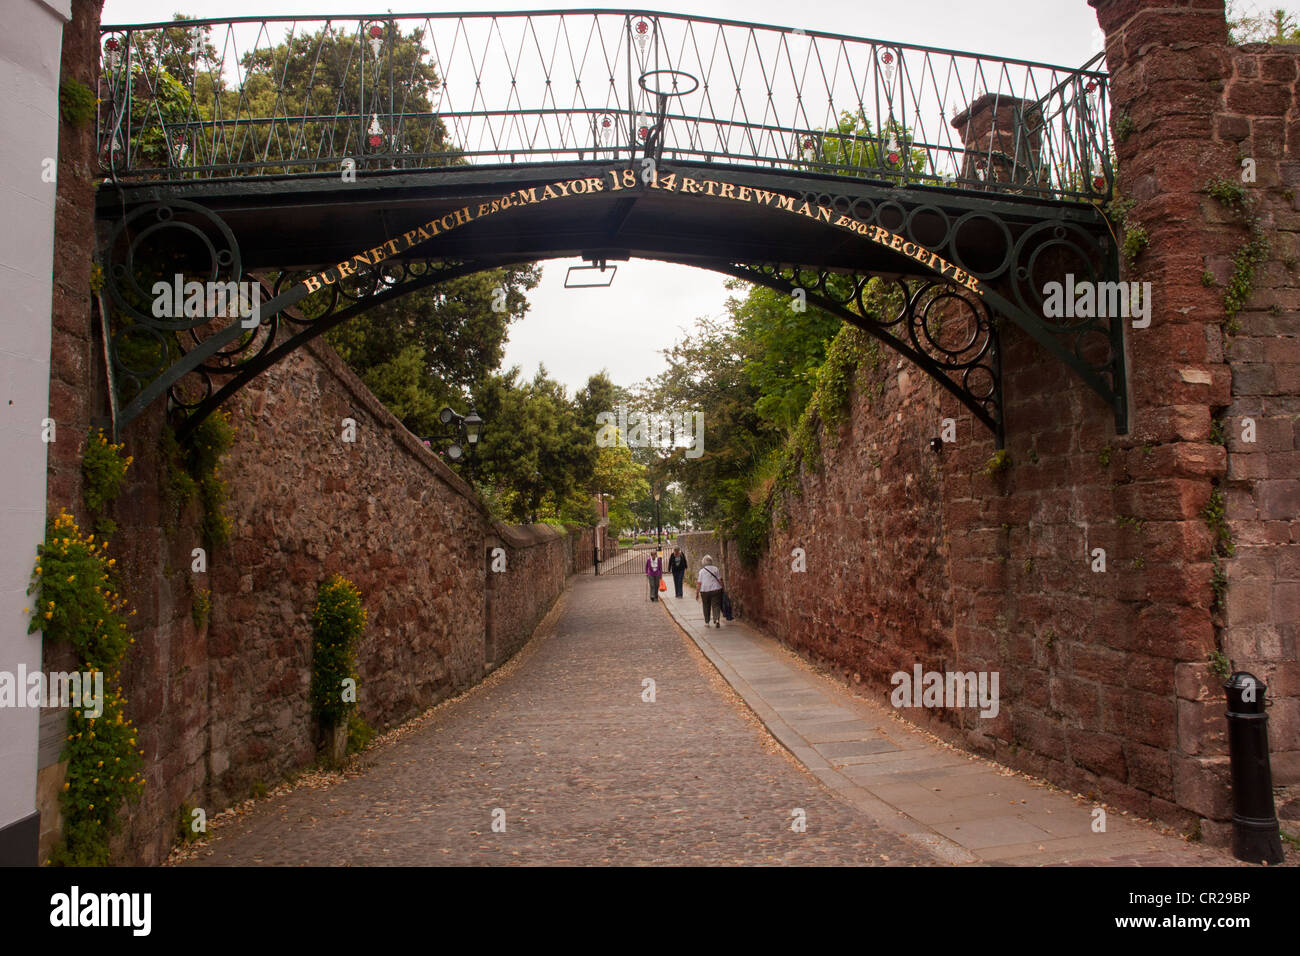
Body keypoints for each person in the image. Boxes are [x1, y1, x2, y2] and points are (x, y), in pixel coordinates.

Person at [694, 554, 725, 627]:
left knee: (706, 606)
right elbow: (719, 579)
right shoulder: (715, 569)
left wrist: (697, 593)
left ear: (703, 562)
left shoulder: (701, 571)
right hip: (716, 589)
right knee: (716, 605)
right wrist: (723, 587)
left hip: (705, 591)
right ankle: (717, 619)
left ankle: (707, 622)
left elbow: (699, 583)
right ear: (711, 561)